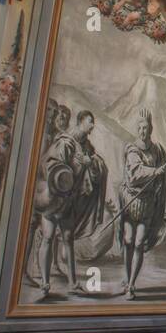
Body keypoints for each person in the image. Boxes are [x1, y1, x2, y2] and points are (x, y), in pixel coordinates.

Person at [117, 108, 166, 300]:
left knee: (140, 242)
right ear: (137, 129)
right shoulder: (131, 149)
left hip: (147, 204)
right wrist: (154, 172)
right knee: (128, 240)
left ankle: (132, 284)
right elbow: (135, 173)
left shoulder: (158, 149)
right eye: (139, 128)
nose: (142, 131)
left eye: (145, 128)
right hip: (130, 200)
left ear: (151, 129)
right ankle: (126, 278)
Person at [33, 109, 107, 297]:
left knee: (68, 240)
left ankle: (73, 283)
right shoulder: (66, 141)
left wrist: (90, 163)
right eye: (90, 122)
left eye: (93, 122)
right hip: (54, 198)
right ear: (81, 121)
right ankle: (45, 283)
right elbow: (52, 166)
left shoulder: (88, 147)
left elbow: (95, 172)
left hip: (69, 202)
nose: (92, 126)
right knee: (48, 237)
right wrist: (75, 166)